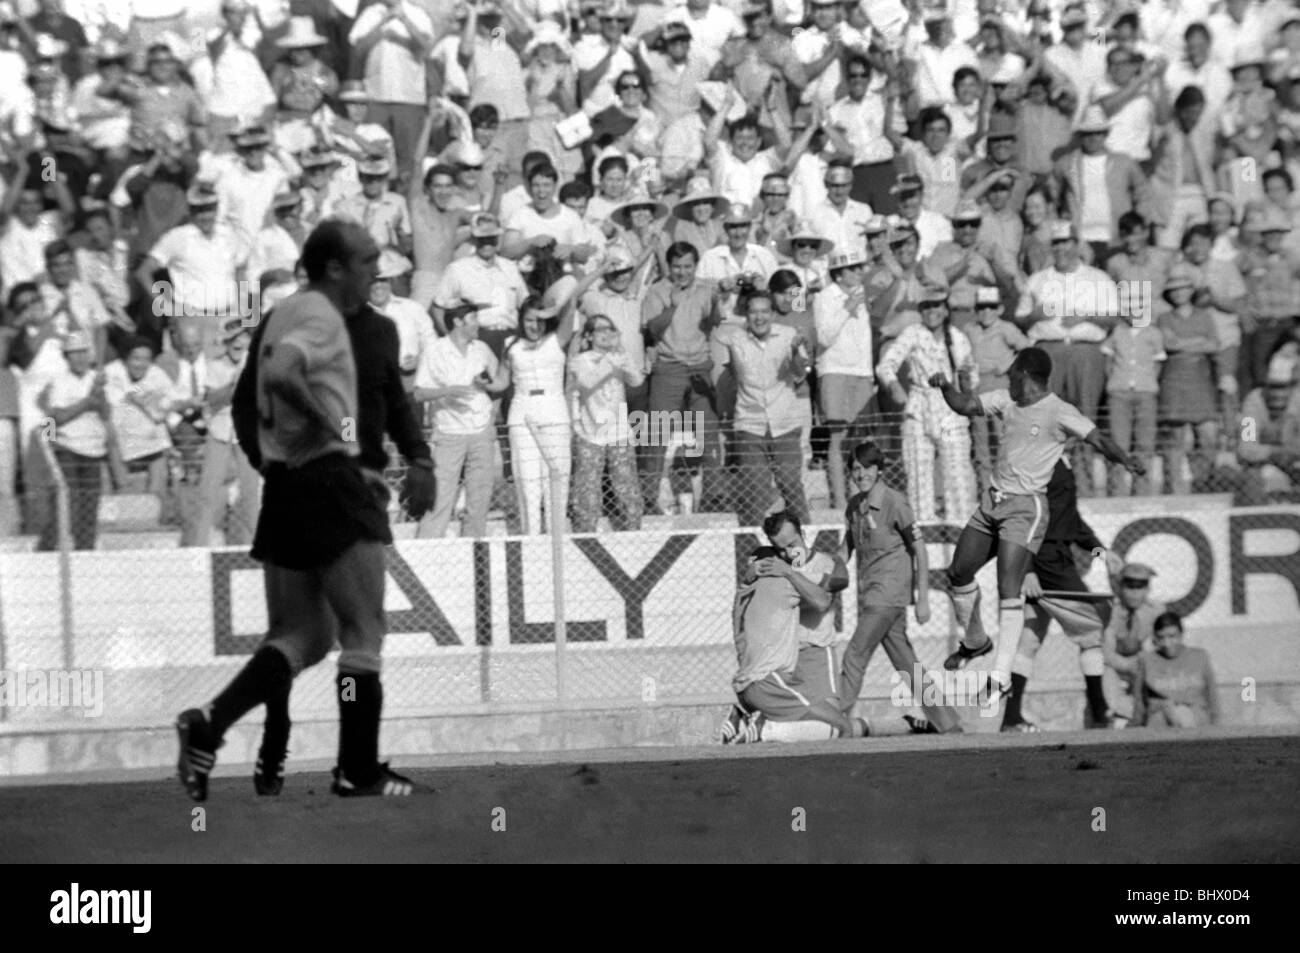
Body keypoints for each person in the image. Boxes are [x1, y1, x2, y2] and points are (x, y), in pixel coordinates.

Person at [176, 220, 433, 801]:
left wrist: (419, 456)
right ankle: (356, 770)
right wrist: (327, 436)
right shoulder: (319, 321)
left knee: (303, 635)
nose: (378, 269)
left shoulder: (318, 323)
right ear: (336, 268)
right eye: (367, 259)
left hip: (292, 491)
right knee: (364, 631)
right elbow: (274, 383)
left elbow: (390, 398)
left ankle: (209, 724)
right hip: (341, 488)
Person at [929, 346, 1144, 700]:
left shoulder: (1059, 412)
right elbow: (965, 405)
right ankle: (975, 641)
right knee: (958, 573)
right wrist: (944, 387)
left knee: (1008, 589)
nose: (1007, 381)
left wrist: (1126, 461)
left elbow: (1098, 439)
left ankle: (1000, 678)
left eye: (1012, 375)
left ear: (1026, 376)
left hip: (1025, 508)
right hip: (992, 502)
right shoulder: (1006, 400)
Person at [836, 442, 962, 734]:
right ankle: (948, 722)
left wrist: (922, 600)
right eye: (855, 469)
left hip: (888, 595)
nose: (860, 474)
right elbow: (846, 550)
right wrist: (819, 568)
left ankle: (834, 719)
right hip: (872, 595)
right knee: (905, 661)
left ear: (879, 470)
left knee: (855, 654)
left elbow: (919, 548)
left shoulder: (895, 502)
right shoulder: (854, 507)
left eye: (866, 468)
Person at [727, 510, 866, 742]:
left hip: (814, 653)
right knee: (819, 728)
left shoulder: (821, 563)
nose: (788, 552)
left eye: (792, 544)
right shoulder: (776, 569)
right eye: (780, 548)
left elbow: (831, 590)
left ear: (803, 533)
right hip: (783, 661)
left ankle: (912, 723)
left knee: (830, 723)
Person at [1008, 459, 1118, 733]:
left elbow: (1074, 524)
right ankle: (1100, 712)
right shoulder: (1040, 461)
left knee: (1030, 640)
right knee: (1092, 627)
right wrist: (1027, 570)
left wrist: (1101, 553)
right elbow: (1020, 519)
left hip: (1056, 557)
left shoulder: (1064, 461)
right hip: (1046, 561)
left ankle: (1010, 719)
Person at [875, 279, 977, 524]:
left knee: (956, 477)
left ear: (945, 309)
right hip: (919, 406)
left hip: (950, 408)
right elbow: (886, 365)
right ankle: (924, 534)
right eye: (926, 307)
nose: (932, 312)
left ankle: (959, 531)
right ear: (920, 310)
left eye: (937, 306)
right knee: (918, 477)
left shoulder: (958, 338)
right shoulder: (913, 334)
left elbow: (971, 374)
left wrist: (965, 388)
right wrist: (894, 386)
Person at [710, 290, 809, 528]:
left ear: (773, 314)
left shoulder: (790, 336)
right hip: (750, 423)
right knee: (755, 490)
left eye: (765, 311)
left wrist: (796, 352)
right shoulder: (735, 339)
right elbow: (738, 373)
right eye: (753, 312)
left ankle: (806, 535)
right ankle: (753, 547)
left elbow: (799, 374)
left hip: (784, 421)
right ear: (746, 315)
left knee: (790, 483)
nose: (759, 317)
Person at [480, 296, 575, 535]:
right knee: (527, 479)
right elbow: (502, 381)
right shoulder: (511, 344)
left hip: (554, 409)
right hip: (522, 411)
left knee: (557, 476)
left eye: (540, 320)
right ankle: (530, 536)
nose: (534, 325)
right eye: (529, 319)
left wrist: (555, 307)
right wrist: (485, 384)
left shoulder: (557, 339)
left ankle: (557, 538)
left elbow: (572, 298)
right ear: (522, 319)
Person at [567, 312, 644, 532]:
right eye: (601, 330)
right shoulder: (580, 361)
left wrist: (624, 358)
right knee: (587, 489)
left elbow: (637, 381)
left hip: (619, 431)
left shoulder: (619, 356)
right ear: (589, 336)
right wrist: (611, 360)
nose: (607, 334)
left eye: (610, 329)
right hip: (590, 432)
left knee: (627, 486)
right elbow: (587, 382)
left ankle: (634, 531)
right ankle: (584, 533)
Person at [1102, 561, 1167, 728]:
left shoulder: (1156, 611)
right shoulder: (1110, 611)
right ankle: (1116, 716)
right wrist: (1128, 665)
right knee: (1103, 669)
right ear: (1121, 587)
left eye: (1140, 587)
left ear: (1147, 589)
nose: (1135, 593)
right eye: (1130, 587)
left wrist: (1142, 662)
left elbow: (1162, 645)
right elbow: (1107, 653)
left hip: (1145, 667)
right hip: (1118, 668)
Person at [1130, 611, 1220, 728]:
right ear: (1155, 638)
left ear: (1181, 635)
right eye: (1161, 637)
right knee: (1160, 719)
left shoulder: (1199, 656)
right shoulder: (1146, 660)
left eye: (1172, 636)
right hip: (1160, 715)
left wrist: (1216, 724)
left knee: (1182, 714)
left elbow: (1212, 695)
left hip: (1194, 715)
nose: (1167, 643)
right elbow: (1139, 701)